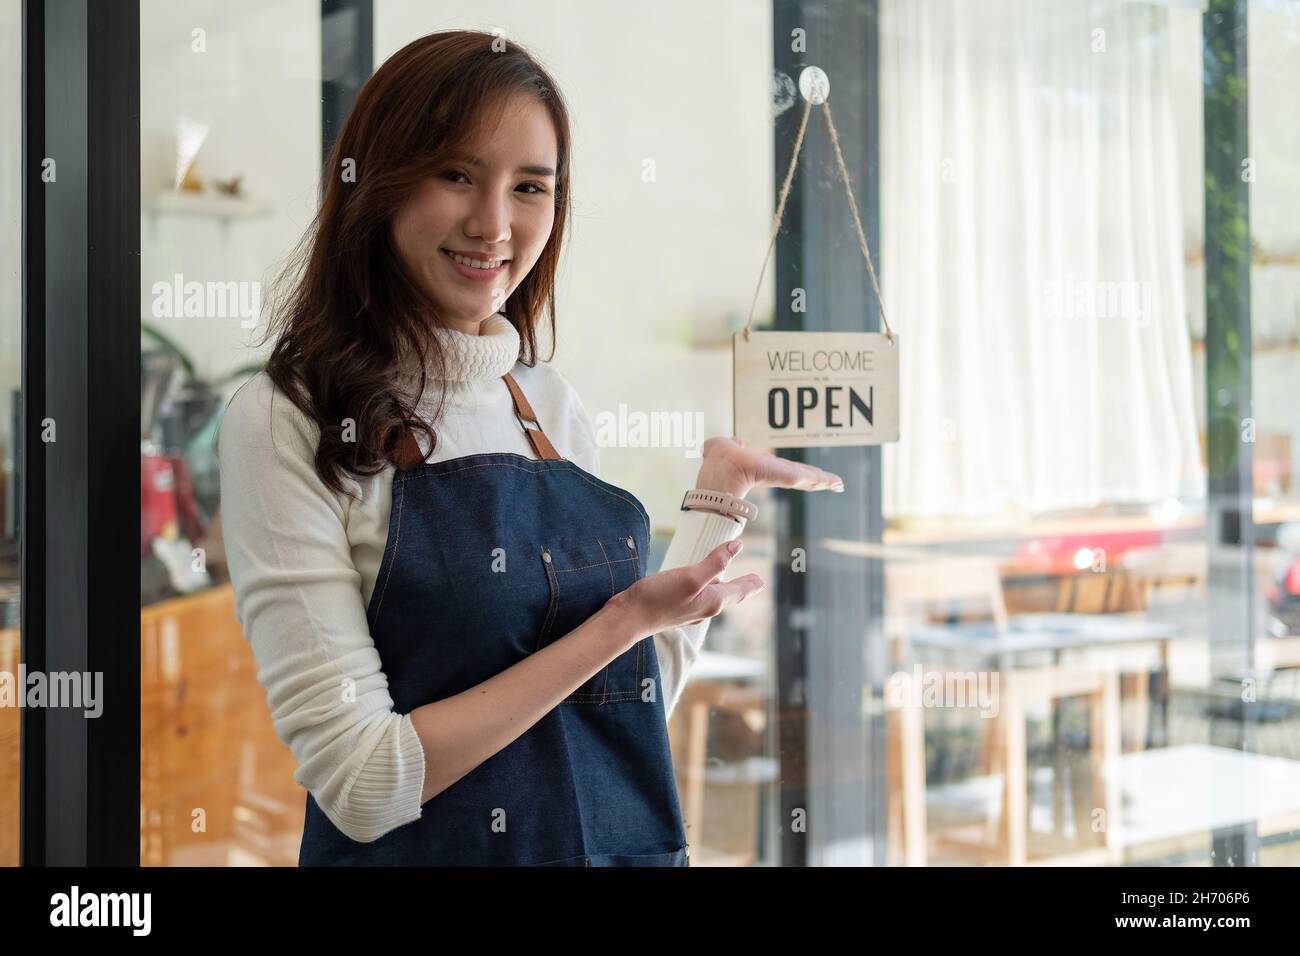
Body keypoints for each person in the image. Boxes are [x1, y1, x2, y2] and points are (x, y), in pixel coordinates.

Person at [217, 29, 844, 866]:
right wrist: (624, 617)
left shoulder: (546, 404)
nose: (494, 223)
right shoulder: (284, 419)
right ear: (378, 184)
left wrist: (714, 501)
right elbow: (363, 782)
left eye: (531, 187)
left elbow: (623, 712)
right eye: (456, 175)